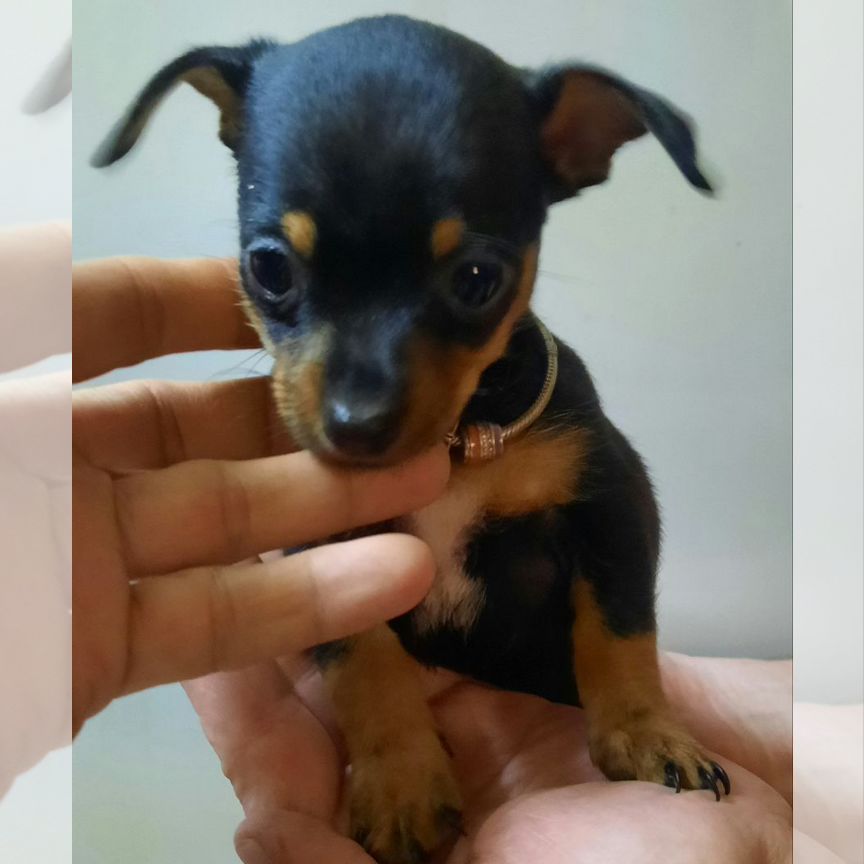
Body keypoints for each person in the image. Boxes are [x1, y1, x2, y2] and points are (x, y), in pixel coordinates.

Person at [6, 224, 858, 862]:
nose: (362, 397)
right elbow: (317, 563)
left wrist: (636, 705)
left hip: (551, 696)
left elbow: (615, 527)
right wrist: (384, 738)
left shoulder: (547, 410)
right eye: (278, 271)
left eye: (470, 278)